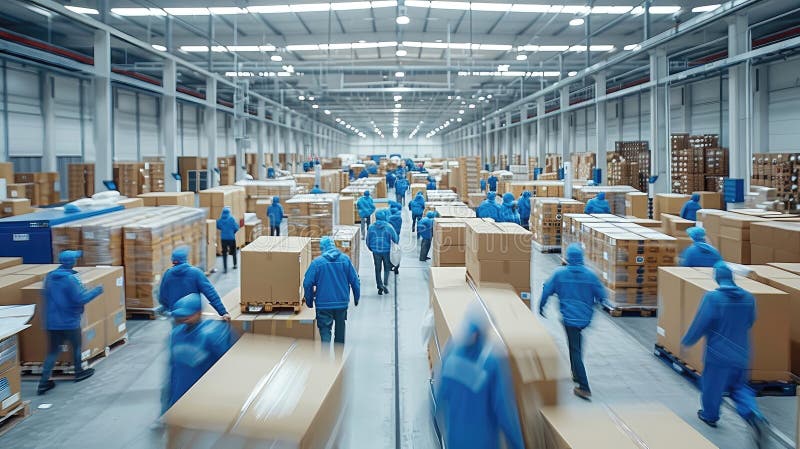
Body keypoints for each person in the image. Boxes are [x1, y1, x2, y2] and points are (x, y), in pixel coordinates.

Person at [682, 262, 768, 443]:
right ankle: (754, 414)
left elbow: (700, 324)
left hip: (718, 355)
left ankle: (709, 415)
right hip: (742, 353)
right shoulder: (749, 298)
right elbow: (750, 321)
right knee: (739, 387)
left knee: (712, 387)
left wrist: (687, 341)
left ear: (717, 277)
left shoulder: (712, 298)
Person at [435, 305, 524, 449]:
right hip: (483, 442)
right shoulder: (490, 363)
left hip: (456, 441)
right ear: (481, 334)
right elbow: (505, 412)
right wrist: (517, 445)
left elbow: (438, 398)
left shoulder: (450, 355)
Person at [539, 244, 606, 400]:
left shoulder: (559, 274)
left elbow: (546, 290)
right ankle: (575, 373)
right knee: (574, 344)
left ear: (568, 257)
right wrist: (595, 304)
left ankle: (584, 387)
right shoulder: (590, 275)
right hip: (585, 318)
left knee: (575, 349)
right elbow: (602, 296)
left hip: (569, 318)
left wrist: (541, 307)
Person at [37, 250, 104, 395]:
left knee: (52, 351)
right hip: (69, 321)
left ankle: (43, 383)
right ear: (72, 262)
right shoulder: (71, 279)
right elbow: (80, 299)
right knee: (76, 346)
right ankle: (79, 372)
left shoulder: (49, 277)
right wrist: (97, 290)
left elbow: (45, 295)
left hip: (51, 322)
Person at [163, 293, 236, 413]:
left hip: (204, 398)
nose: (184, 318)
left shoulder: (213, 333)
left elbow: (227, 368)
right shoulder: (176, 335)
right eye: (181, 315)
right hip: (180, 394)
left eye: (188, 314)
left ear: (199, 312)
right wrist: (167, 404)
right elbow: (172, 368)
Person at [303, 236, 361, 344]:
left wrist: (309, 301)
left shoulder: (317, 263)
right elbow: (355, 280)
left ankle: (325, 354)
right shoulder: (345, 260)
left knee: (325, 332)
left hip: (323, 304)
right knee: (340, 333)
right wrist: (356, 297)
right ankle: (338, 354)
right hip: (341, 303)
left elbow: (307, 283)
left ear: (322, 248)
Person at [158, 246, 230, 321]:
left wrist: (171, 309)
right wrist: (223, 312)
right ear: (185, 259)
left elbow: (162, 297)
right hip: (194, 316)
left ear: (172, 260)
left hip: (177, 316)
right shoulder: (196, 273)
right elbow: (210, 293)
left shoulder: (168, 274)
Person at [366, 209, 398, 295]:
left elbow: (368, 240)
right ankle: (385, 284)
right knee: (387, 268)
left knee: (377, 269)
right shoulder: (389, 227)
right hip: (387, 250)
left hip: (376, 251)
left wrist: (371, 248)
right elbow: (395, 239)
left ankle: (379, 286)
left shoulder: (371, 227)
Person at [216, 207, 239, 273]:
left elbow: (218, 226)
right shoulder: (232, 219)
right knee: (233, 252)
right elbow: (236, 227)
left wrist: (223, 229)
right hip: (231, 238)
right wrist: (233, 232)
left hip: (223, 239)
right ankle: (235, 264)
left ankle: (225, 268)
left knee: (224, 253)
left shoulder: (220, 220)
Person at [388, 202, 403, 275]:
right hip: (397, 236)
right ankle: (397, 267)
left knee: (390, 253)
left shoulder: (389, 219)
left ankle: (391, 266)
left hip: (390, 237)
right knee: (396, 252)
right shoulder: (399, 218)